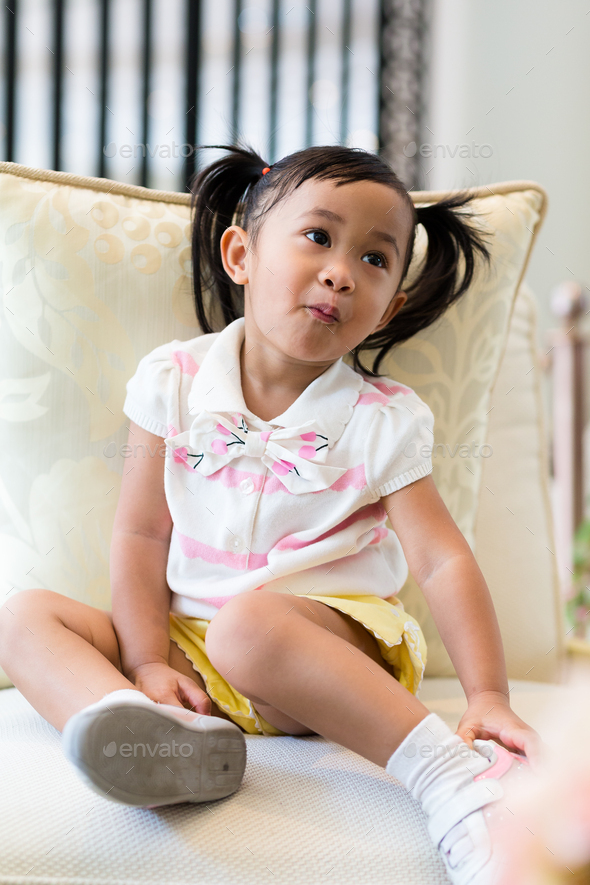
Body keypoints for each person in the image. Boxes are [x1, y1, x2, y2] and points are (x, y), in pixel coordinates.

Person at [0, 143, 542, 884]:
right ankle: (155, 740)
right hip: (199, 655)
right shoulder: (175, 381)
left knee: (251, 623)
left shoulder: (383, 419)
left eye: (376, 259)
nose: (341, 272)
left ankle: (452, 780)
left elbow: (442, 558)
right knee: (25, 616)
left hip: (329, 643)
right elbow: (140, 531)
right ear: (241, 253)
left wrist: (488, 695)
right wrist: (148, 661)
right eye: (318, 237)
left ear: (393, 305)